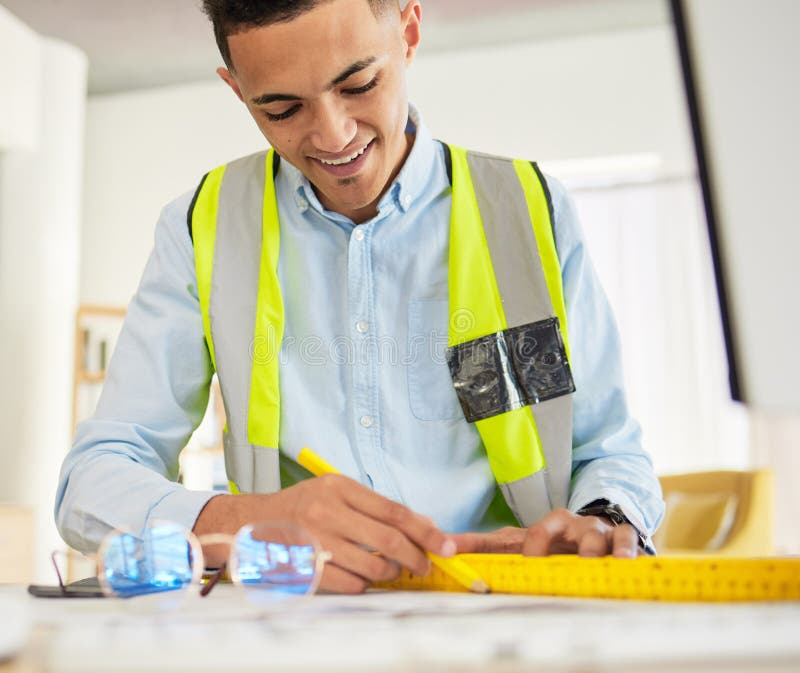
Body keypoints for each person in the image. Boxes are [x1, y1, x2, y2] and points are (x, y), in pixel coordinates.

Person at [56, 0, 664, 593]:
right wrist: (247, 523)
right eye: (283, 108)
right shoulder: (204, 225)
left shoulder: (527, 214)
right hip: (296, 627)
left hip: (508, 613)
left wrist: (606, 522)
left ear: (409, 29)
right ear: (237, 91)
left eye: (359, 84)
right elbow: (92, 481)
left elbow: (608, 451)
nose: (333, 135)